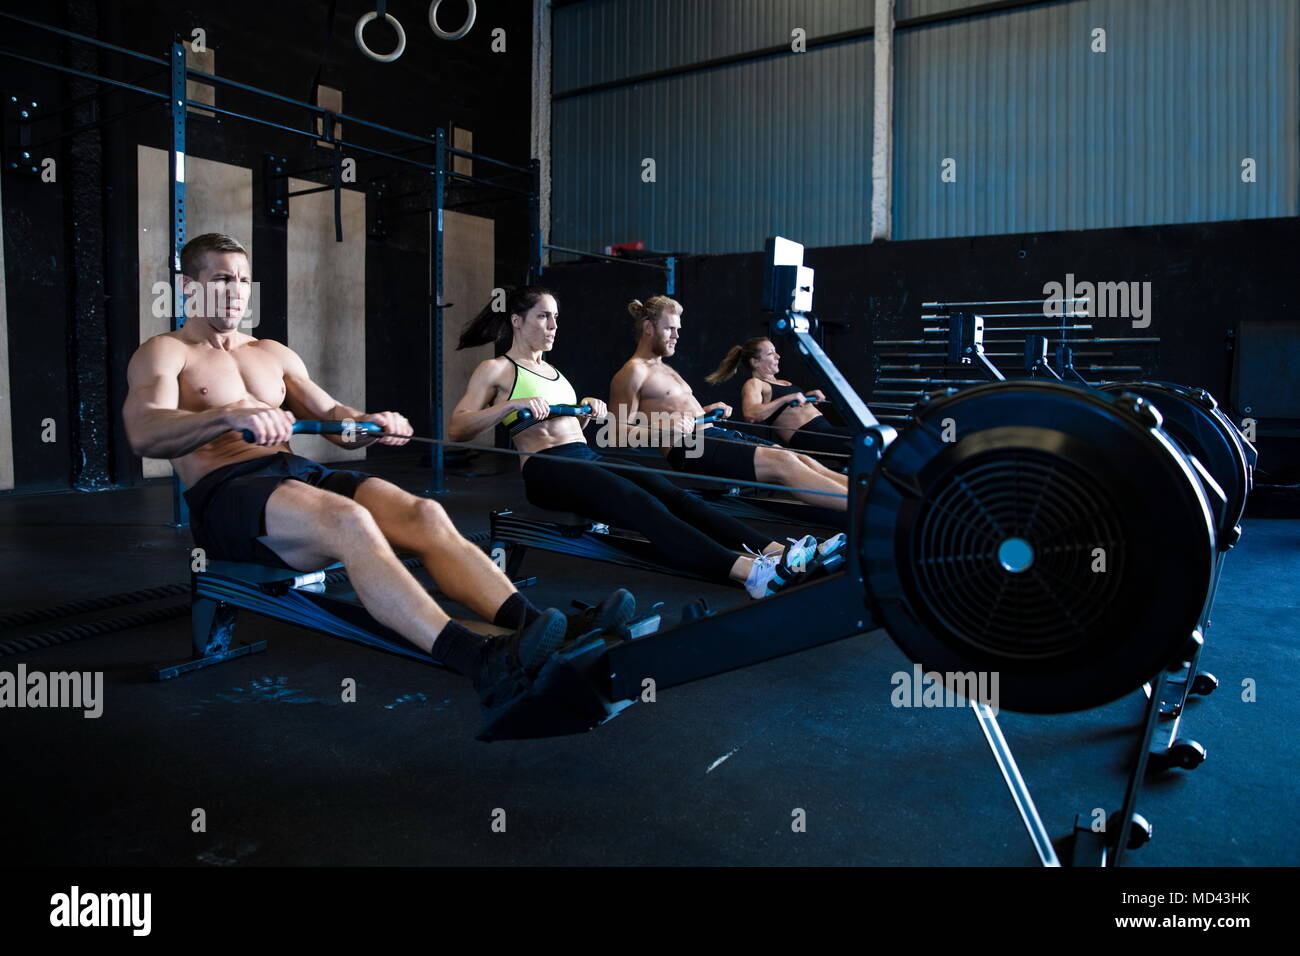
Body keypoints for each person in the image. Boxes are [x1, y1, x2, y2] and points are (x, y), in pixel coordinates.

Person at [121, 233, 618, 710]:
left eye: (243, 280)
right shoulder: (166, 352)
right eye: (221, 280)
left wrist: (367, 424)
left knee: (423, 514)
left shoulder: (269, 353)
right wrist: (224, 416)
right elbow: (144, 431)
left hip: (292, 475)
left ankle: (539, 630)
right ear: (188, 286)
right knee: (350, 521)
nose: (235, 293)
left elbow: (335, 418)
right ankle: (479, 660)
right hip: (227, 494)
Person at [449, 286, 838, 597]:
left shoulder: (554, 373)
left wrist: (588, 408)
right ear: (517, 321)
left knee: (677, 497)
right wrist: (511, 406)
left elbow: (575, 427)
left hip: (584, 455)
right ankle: (750, 573)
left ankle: (776, 552)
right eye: (543, 316)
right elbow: (458, 428)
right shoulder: (497, 368)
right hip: (547, 468)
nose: (553, 325)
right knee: (641, 504)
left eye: (556, 317)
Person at [609, 296, 852, 514]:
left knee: (796, 457)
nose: (677, 336)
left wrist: (703, 412)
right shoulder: (632, 372)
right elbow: (616, 434)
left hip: (712, 434)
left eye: (678, 329)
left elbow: (676, 414)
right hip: (690, 448)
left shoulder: (663, 367)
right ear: (649, 328)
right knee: (784, 464)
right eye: (670, 329)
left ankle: (871, 498)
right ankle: (865, 510)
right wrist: (664, 429)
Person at [707, 336, 871, 458]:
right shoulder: (755, 383)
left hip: (825, 431)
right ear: (755, 362)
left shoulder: (783, 382)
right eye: (771, 353)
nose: (778, 356)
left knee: (872, 437)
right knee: (869, 442)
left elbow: (790, 407)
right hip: (810, 437)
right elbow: (751, 414)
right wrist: (786, 399)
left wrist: (808, 397)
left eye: (776, 352)